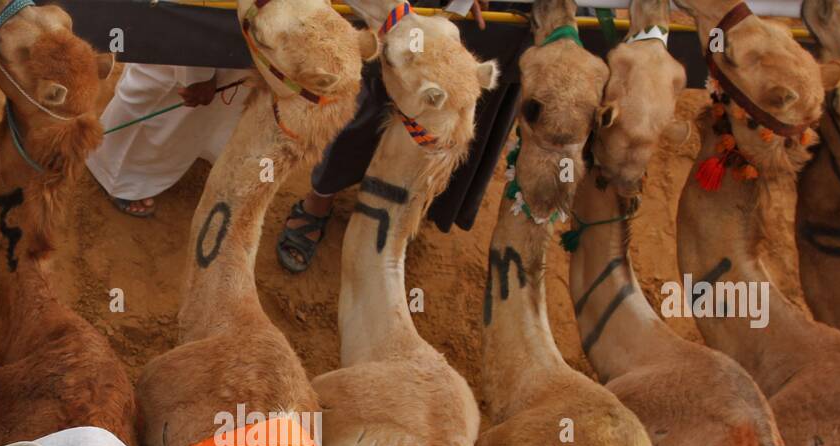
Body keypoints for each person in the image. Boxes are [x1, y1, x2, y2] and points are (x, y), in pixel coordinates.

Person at [276, 4, 524, 273]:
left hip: (484, 14)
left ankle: (408, 211)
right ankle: (319, 202)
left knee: (453, 118)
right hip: (410, 11)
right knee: (374, 98)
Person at [87, 64, 254, 218]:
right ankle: (119, 177)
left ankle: (201, 148)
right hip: (200, 47)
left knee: (218, 108)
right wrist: (198, 75)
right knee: (163, 90)